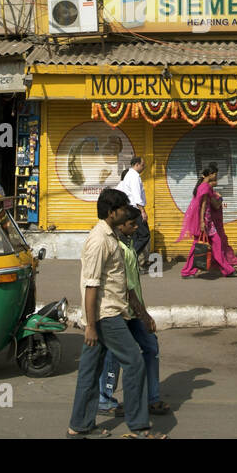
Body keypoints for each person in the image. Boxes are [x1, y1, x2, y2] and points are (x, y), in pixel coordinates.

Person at [68, 188, 164, 439]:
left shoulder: (111, 238)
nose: (125, 212)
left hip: (108, 313)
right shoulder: (99, 240)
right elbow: (91, 285)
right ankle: (139, 428)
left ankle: (78, 427)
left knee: (90, 371)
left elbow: (120, 282)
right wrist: (90, 324)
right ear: (112, 213)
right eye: (122, 208)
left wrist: (141, 313)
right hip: (104, 315)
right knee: (133, 362)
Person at [98, 205, 171, 418]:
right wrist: (145, 315)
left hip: (133, 311)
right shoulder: (117, 248)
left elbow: (144, 236)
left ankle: (152, 398)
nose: (136, 227)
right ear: (121, 225)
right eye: (132, 224)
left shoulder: (128, 245)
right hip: (121, 312)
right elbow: (128, 287)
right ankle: (105, 400)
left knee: (151, 346)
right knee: (113, 355)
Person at [179, 165, 237, 278]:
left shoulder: (204, 186)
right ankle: (187, 271)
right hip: (204, 222)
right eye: (215, 174)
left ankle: (227, 270)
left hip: (208, 222)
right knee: (197, 247)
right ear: (211, 174)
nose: (216, 177)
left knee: (217, 243)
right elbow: (202, 206)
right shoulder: (205, 187)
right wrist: (202, 222)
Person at [118, 155, 150, 262]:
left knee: (136, 236)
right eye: (142, 165)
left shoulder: (128, 175)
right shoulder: (135, 176)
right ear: (136, 165)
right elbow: (137, 196)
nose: (144, 167)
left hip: (130, 209)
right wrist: (142, 211)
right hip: (135, 210)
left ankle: (133, 262)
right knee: (144, 235)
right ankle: (130, 257)